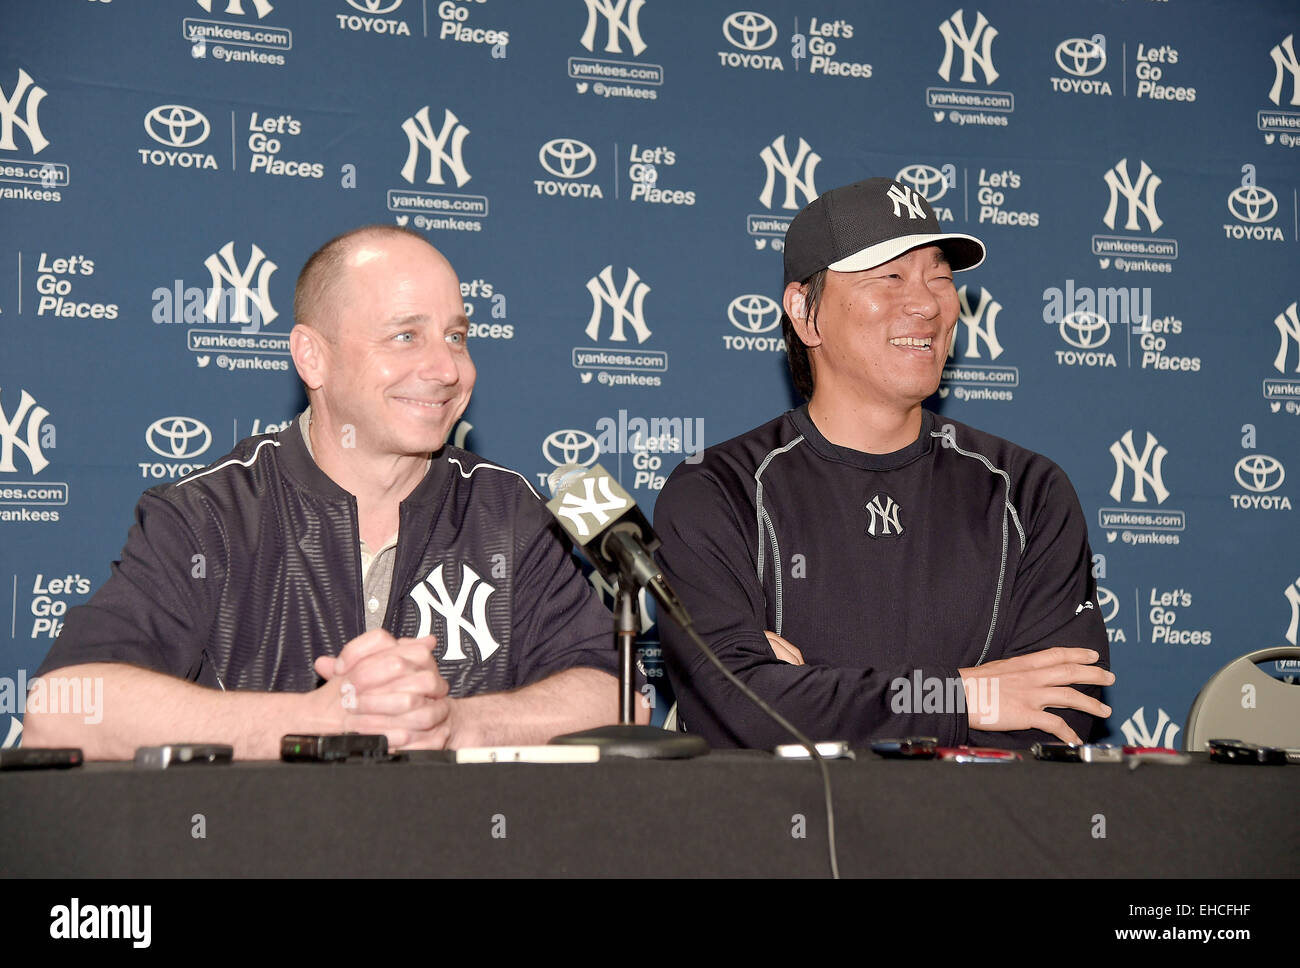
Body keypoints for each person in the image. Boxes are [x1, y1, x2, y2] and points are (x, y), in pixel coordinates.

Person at [24, 225, 626, 758]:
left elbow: (614, 697)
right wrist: (320, 720)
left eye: (457, 336)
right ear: (312, 357)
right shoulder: (211, 515)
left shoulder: (507, 510)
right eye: (405, 336)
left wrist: (452, 723)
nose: (447, 369)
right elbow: (63, 706)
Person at [654, 178, 1114, 750]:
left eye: (940, 278)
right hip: (780, 832)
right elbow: (742, 706)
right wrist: (963, 697)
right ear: (805, 312)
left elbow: (1059, 712)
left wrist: (814, 693)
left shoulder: (1029, 492)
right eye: (889, 277)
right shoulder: (717, 490)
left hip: (973, 830)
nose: (925, 304)